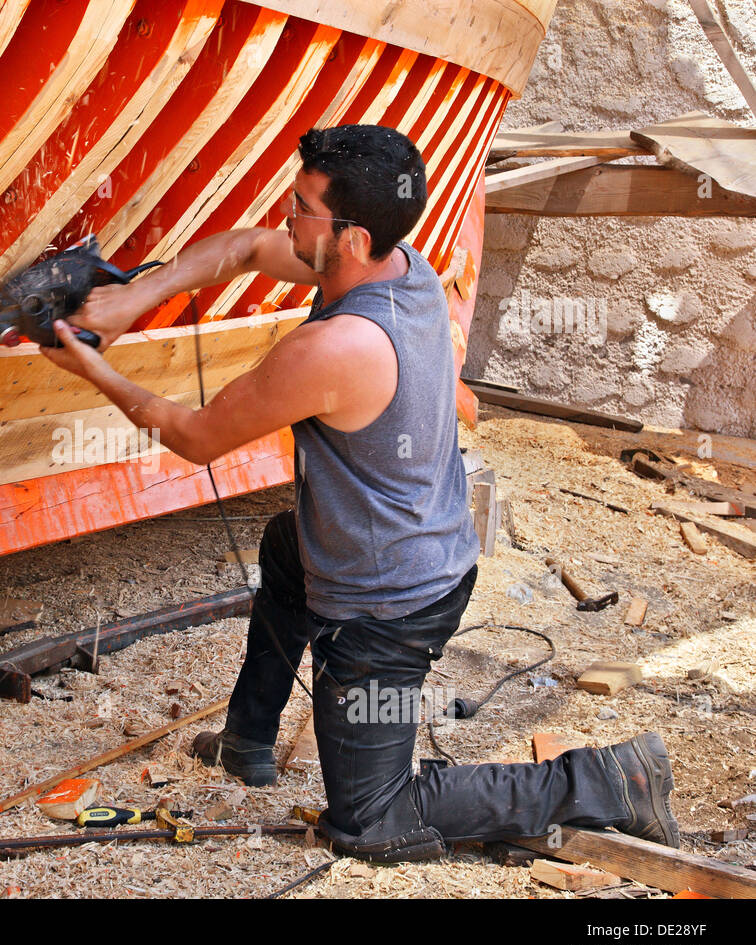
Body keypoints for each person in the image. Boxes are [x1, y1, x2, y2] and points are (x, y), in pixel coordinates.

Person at [37, 124, 679, 862]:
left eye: (302, 206)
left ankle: (608, 778)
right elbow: (244, 247)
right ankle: (248, 739)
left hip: (390, 605)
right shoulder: (400, 266)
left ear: (349, 236)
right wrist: (127, 302)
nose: (287, 215)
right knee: (288, 546)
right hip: (410, 546)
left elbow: (196, 438)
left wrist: (96, 372)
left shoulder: (335, 349)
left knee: (372, 820)